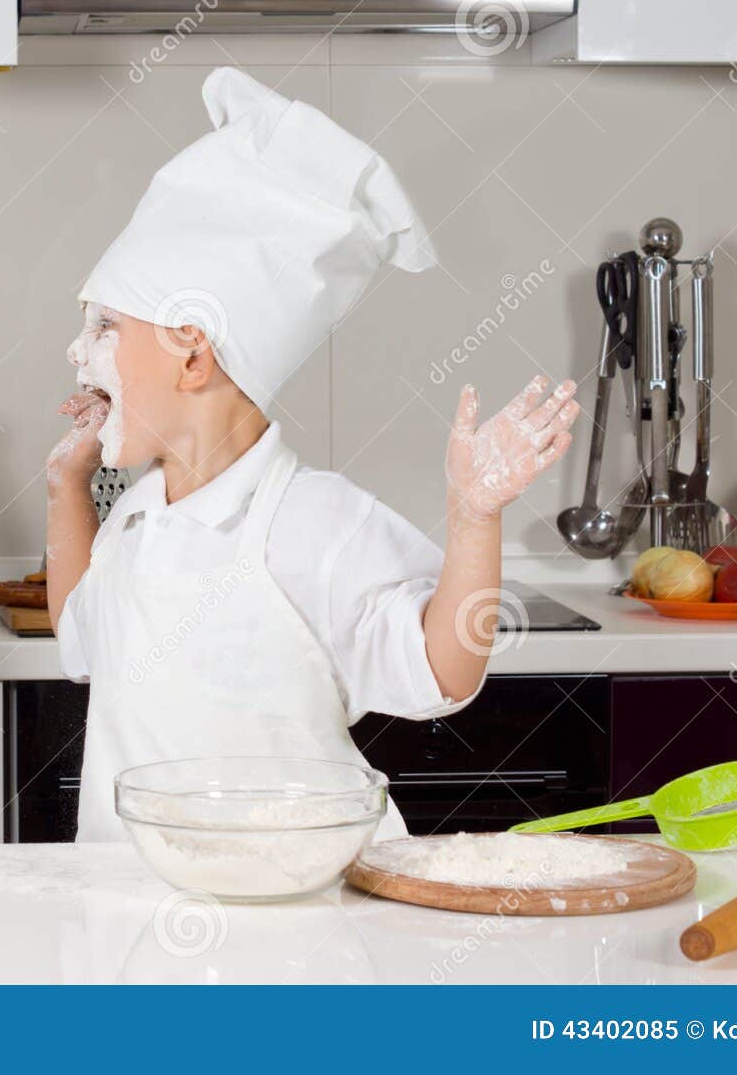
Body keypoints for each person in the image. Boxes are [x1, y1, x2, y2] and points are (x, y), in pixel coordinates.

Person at [45, 68, 579, 843]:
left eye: (104, 329)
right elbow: (77, 636)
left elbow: (443, 672)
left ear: (192, 353)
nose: (78, 353)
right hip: (140, 928)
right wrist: (66, 484)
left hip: (295, 929)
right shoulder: (133, 517)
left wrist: (473, 515)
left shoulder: (312, 520)